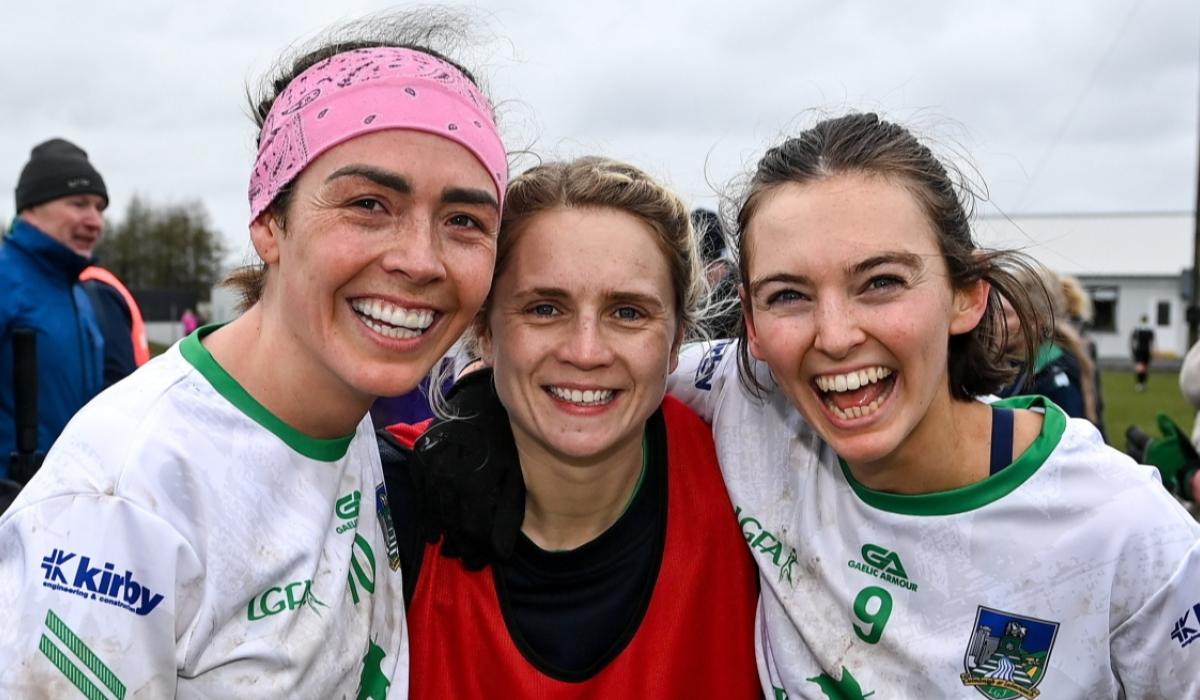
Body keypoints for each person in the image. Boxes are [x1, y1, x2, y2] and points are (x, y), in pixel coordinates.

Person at [0, 14, 508, 697]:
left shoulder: (344, 411)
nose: (420, 260)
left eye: (464, 221)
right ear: (270, 221)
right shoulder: (119, 505)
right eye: (369, 204)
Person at [666, 113, 1200, 697]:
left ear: (967, 293)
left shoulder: (1130, 535)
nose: (836, 336)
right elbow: (611, 371)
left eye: (882, 281)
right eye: (788, 294)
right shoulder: (742, 398)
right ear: (752, 324)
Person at [380, 157, 760, 697]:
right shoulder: (389, 501)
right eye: (544, 309)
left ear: (678, 340)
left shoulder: (754, 484)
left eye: (628, 312)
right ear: (485, 331)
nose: (586, 351)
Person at [0, 139, 107, 473]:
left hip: (72, 495)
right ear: (31, 208)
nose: (95, 221)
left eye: (99, 208)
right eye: (79, 204)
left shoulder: (80, 295)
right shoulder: (5, 281)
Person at [997, 265, 1101, 430]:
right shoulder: (1014, 365)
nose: (996, 321)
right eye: (996, 311)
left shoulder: (1056, 384)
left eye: (1006, 314)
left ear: (1035, 321)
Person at [1131, 313, 1156, 391]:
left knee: (1139, 367)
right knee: (1145, 368)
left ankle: (1139, 383)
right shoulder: (1150, 330)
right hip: (1147, 350)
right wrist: (1152, 351)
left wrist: (1133, 350)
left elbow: (1133, 340)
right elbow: (1152, 342)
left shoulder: (1137, 329)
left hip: (1139, 350)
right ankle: (1144, 383)